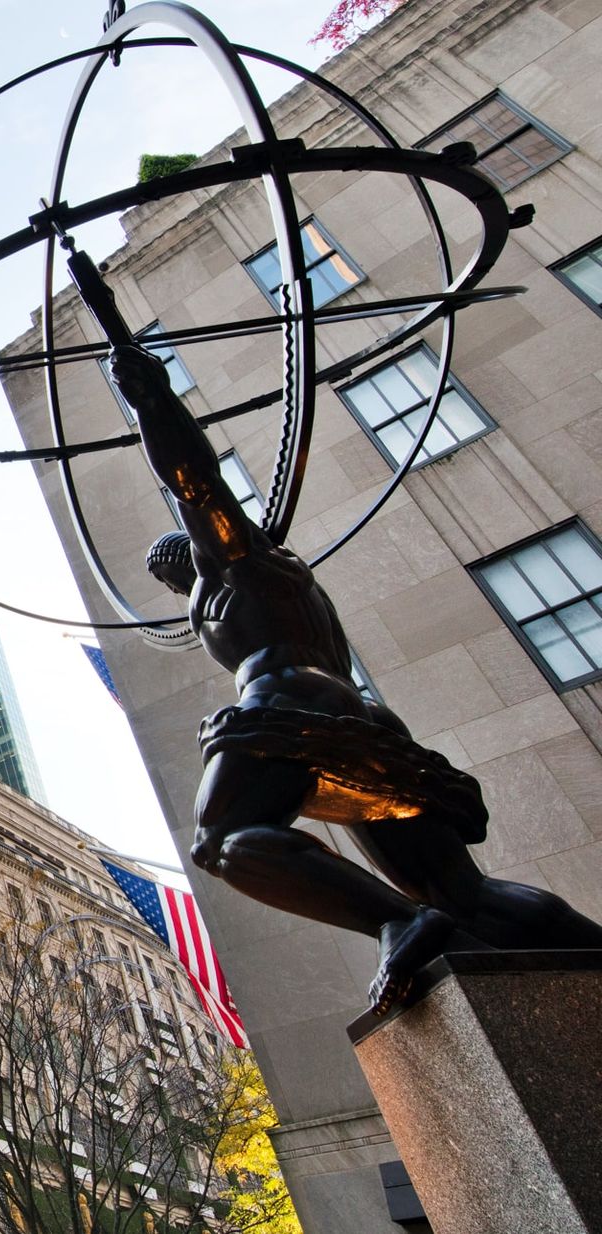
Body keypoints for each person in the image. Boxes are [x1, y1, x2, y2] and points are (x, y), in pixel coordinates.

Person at [110, 344, 602, 1013]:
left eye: (169, 572)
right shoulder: (287, 581)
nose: (173, 587)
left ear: (185, 555)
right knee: (465, 896)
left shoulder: (234, 562)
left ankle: (400, 921)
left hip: (287, 702)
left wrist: (151, 402)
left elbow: (193, 482)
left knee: (221, 842)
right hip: (359, 715)